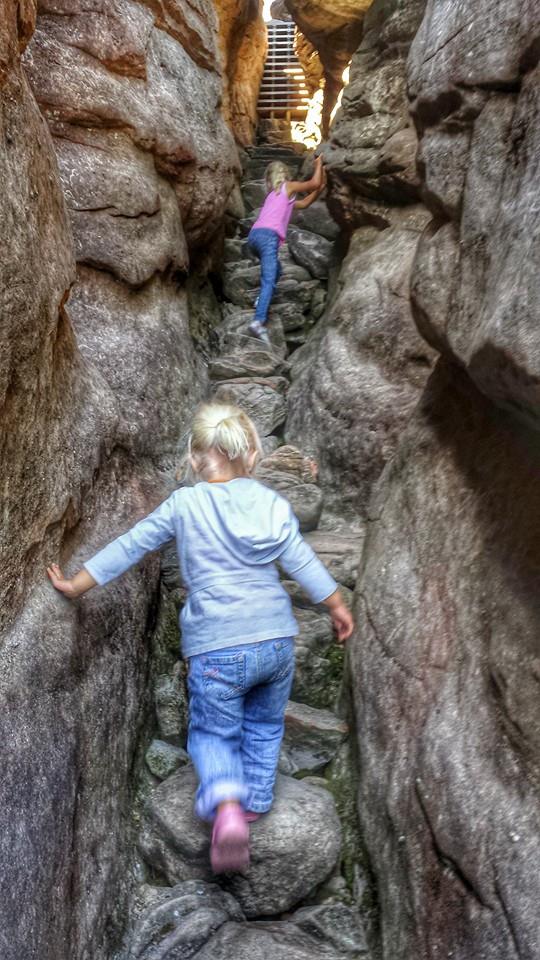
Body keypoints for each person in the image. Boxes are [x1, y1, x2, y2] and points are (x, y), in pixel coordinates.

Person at [47, 402, 353, 874]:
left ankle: (227, 803)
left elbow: (133, 544)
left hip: (217, 647)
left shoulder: (184, 504)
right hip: (275, 642)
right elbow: (301, 562)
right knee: (266, 725)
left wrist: (77, 583)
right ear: (251, 456)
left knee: (213, 731)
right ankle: (255, 800)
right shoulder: (271, 504)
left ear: (194, 459)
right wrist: (335, 605)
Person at [247, 155, 326, 343]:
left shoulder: (274, 196)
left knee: (277, 270)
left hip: (254, 237)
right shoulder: (287, 187)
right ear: (284, 175)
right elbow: (313, 183)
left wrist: (319, 189)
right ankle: (258, 321)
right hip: (268, 238)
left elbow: (305, 203)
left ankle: (261, 302)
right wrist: (319, 164)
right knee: (268, 279)